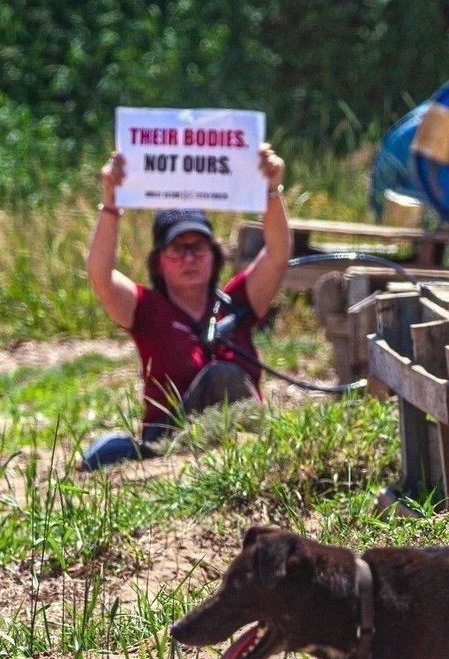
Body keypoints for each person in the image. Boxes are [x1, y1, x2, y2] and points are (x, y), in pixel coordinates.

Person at [80, 142, 293, 470]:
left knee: (225, 376)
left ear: (215, 254)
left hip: (244, 448)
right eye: (177, 249)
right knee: (221, 376)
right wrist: (111, 204)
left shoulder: (236, 302)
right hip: (171, 446)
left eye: (198, 247)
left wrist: (270, 190)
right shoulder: (147, 310)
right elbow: (101, 276)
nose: (190, 258)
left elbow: (278, 255)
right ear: (158, 262)